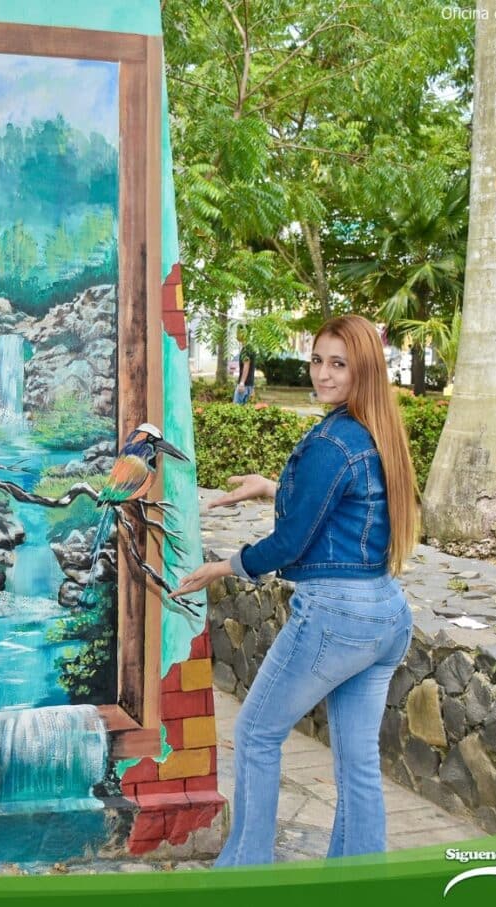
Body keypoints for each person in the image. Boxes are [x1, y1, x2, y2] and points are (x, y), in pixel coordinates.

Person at [173, 314, 419, 866]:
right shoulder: (377, 430)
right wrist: (270, 487)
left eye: (339, 364)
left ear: (364, 370)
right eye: (318, 360)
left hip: (337, 616)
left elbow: (289, 544)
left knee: (257, 733)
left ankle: (244, 877)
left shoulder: (334, 439)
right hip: (387, 615)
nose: (324, 375)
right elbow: (337, 505)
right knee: (357, 764)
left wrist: (226, 566)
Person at [233, 329, 257, 405]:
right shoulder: (251, 348)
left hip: (244, 385)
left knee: (236, 408)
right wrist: (252, 387)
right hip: (249, 384)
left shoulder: (246, 349)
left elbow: (246, 366)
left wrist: (242, 383)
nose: (236, 336)